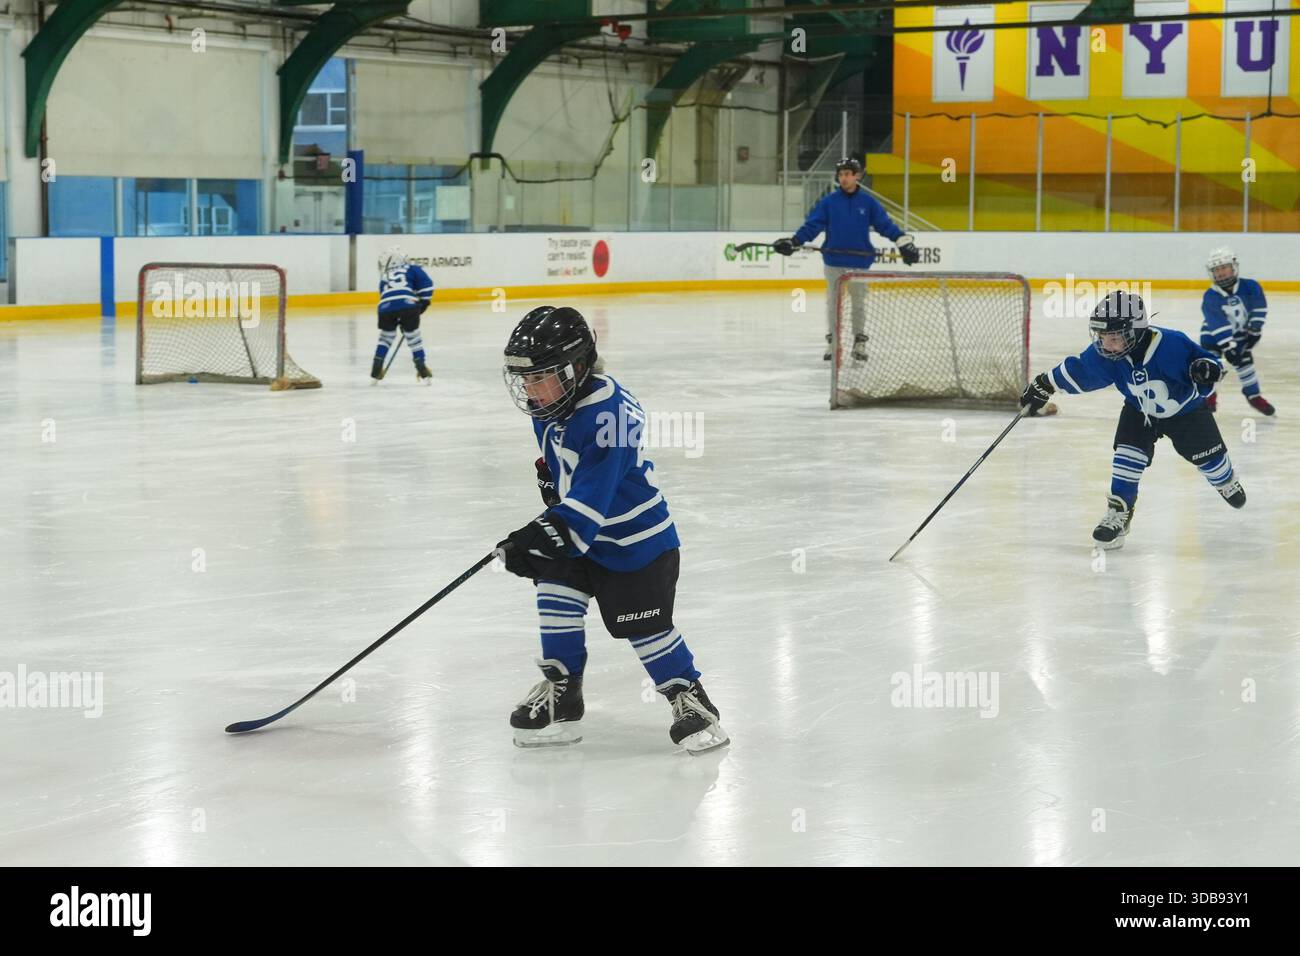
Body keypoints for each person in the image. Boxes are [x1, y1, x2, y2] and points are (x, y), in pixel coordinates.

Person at [495, 305, 729, 754]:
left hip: (633, 542)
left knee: (644, 626)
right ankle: (562, 694)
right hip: (581, 534)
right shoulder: (550, 403)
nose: (529, 389)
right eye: (524, 379)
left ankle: (689, 698)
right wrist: (549, 488)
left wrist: (540, 535)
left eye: (539, 377)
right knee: (555, 596)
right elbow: (562, 467)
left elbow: (592, 500)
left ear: (577, 367)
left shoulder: (610, 416)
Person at [1019, 291, 1245, 550]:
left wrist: (1207, 369)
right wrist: (1044, 384)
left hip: (1186, 412)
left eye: (1114, 338)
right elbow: (1081, 369)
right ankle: (1119, 515)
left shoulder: (1171, 343)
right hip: (1139, 411)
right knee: (1127, 458)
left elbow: (1211, 364)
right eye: (1102, 337)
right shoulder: (1105, 354)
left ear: (1136, 332)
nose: (1107, 345)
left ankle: (1225, 480)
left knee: (1212, 464)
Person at [772, 157, 920, 361]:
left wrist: (902, 241)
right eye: (841, 174)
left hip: (860, 263)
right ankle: (834, 343)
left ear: (857, 176)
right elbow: (813, 226)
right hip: (834, 261)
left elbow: (884, 225)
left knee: (858, 303)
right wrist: (795, 241)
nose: (844, 178)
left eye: (848, 174)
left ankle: (859, 343)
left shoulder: (868, 203)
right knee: (833, 303)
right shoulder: (829, 202)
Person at [1200, 247, 1274, 415]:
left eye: (1224, 268)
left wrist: (1255, 329)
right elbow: (1216, 321)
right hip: (1212, 336)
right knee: (1209, 366)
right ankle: (1208, 396)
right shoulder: (1211, 295)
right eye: (1216, 270)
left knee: (1245, 364)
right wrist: (1228, 345)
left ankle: (1253, 396)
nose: (1221, 273)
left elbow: (1259, 307)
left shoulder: (1250, 286)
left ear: (1233, 267)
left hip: (1240, 335)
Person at [372, 247, 434, 383]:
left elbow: (385, 296)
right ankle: (421, 365)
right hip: (408, 304)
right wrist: (423, 303)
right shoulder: (412, 268)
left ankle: (377, 363)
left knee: (386, 336)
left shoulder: (385, 275)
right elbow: (427, 286)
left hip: (384, 307)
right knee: (413, 336)